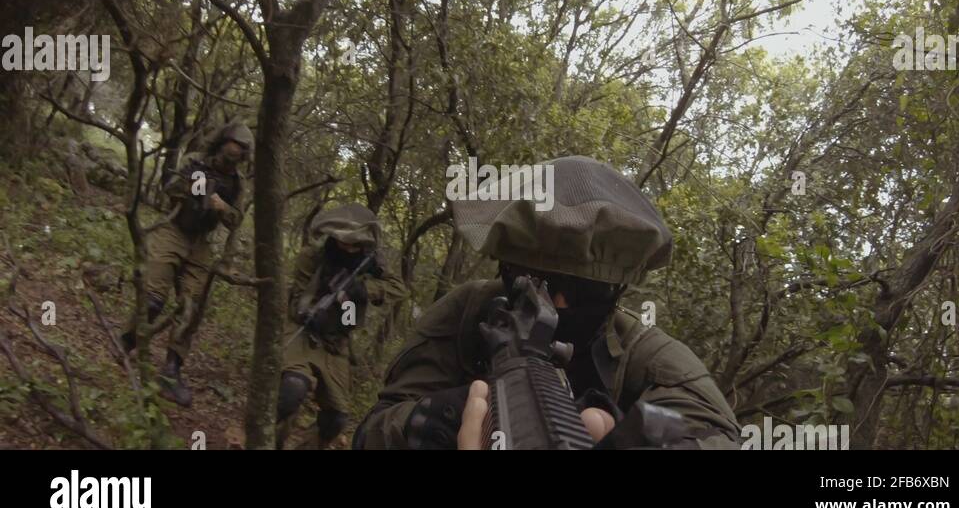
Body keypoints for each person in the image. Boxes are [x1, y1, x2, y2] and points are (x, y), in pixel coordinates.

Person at [353, 155, 741, 449]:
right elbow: (372, 431)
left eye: (584, 291)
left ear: (618, 292)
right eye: (533, 283)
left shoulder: (646, 353)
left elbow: (712, 432)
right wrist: (431, 419)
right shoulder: (468, 310)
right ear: (504, 271)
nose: (555, 303)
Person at [119, 120, 252, 407]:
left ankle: (171, 370)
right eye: (233, 143)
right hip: (174, 230)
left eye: (242, 148)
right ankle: (129, 341)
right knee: (154, 297)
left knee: (189, 307)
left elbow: (236, 219)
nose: (235, 150)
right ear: (222, 141)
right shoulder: (195, 161)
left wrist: (222, 206)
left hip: (201, 243)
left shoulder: (239, 184)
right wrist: (193, 187)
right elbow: (170, 188)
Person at [276, 204, 407, 449]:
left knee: (335, 419)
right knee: (292, 390)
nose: (347, 248)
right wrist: (313, 311)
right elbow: (296, 302)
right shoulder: (313, 257)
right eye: (342, 241)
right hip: (302, 333)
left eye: (353, 244)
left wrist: (363, 289)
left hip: (337, 343)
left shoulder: (372, 264)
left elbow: (398, 289)